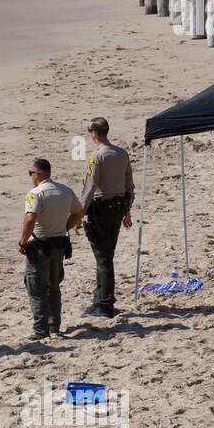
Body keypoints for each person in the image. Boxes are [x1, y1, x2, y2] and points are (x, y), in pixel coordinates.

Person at [19, 158, 83, 341]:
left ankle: (41, 330)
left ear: (38, 173)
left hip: (40, 245)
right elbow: (79, 212)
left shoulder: (35, 194)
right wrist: (65, 227)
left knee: (36, 288)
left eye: (30, 173)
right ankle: (54, 326)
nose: (30, 176)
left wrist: (22, 242)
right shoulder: (65, 190)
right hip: (59, 245)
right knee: (54, 286)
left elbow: (30, 219)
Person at [78, 118, 134, 319]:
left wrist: (78, 214)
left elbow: (89, 188)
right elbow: (130, 187)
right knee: (106, 255)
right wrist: (127, 210)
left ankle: (104, 304)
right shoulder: (122, 153)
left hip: (100, 210)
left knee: (103, 257)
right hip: (118, 208)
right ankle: (100, 298)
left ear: (93, 133)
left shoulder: (97, 156)